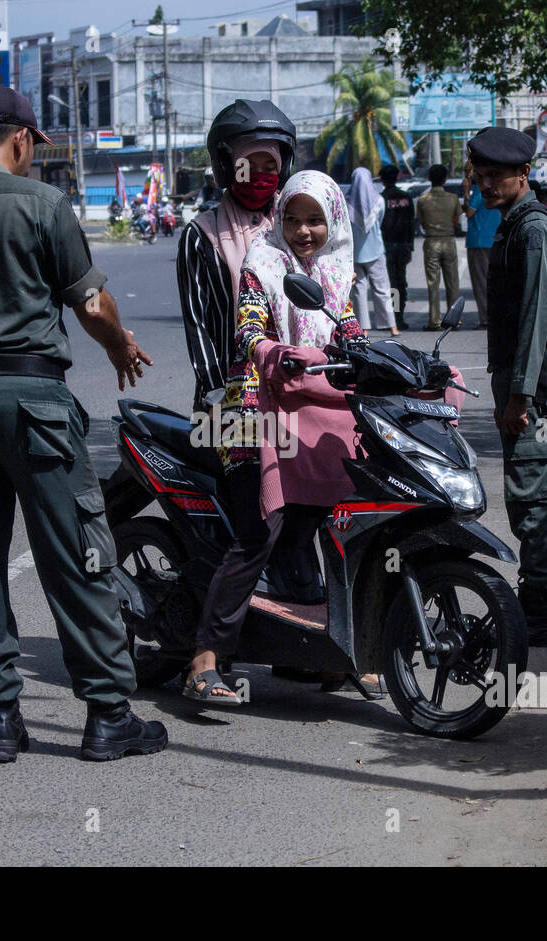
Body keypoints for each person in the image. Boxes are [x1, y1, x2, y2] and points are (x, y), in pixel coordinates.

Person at [0, 86, 167, 762]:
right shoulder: (44, 206)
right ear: (21, 140)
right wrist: (117, 343)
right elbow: (93, 302)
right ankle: (106, 716)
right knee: (77, 553)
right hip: (35, 401)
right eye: (32, 146)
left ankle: (0, 722)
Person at [181, 170, 383, 705]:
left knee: (343, 517)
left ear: (334, 220)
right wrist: (268, 350)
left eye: (314, 220)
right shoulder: (262, 263)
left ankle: (338, 649)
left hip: (313, 405)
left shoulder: (338, 272)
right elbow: (249, 327)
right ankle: (204, 658)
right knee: (260, 530)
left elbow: (349, 331)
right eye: (292, 219)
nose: (303, 231)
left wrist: (384, 360)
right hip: (252, 405)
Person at [469, 126, 547, 647]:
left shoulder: (532, 231)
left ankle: (540, 612)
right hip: (522, 387)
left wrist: (519, 398)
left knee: (531, 503)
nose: (486, 183)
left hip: (527, 392)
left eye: (496, 175)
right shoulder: (519, 224)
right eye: (480, 175)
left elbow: (535, 321)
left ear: (523, 175)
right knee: (543, 498)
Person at [177, 98, 296, 413]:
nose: (259, 175)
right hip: (230, 392)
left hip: (293, 388)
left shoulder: (293, 227)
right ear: (228, 167)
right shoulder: (201, 234)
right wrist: (216, 388)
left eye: (269, 166)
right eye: (248, 166)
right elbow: (197, 322)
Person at [348, 166, 399, 336]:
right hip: (376, 250)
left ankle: (364, 329)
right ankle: (392, 326)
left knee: (359, 292)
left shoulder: (346, 203)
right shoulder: (379, 201)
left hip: (354, 253)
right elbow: (381, 220)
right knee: (383, 288)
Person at [416, 163, 462, 331]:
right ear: (445, 179)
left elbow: (421, 222)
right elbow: (456, 221)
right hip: (448, 241)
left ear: (429, 179)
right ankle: (455, 320)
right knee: (453, 282)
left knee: (433, 283)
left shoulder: (422, 200)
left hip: (431, 242)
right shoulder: (453, 198)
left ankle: (434, 321)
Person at [460, 161, 501, 328]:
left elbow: (469, 212)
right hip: (491, 238)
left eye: (468, 172)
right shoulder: (491, 189)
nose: (466, 175)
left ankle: (486, 317)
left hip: (479, 240)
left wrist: (465, 192)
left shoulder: (477, 191)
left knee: (481, 282)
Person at [379, 164, 415, 330]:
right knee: (400, 282)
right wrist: (410, 246)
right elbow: (411, 224)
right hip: (402, 246)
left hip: (386, 247)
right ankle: (398, 317)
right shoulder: (406, 198)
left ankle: (391, 318)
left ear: (382, 179)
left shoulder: (380, 199)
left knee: (389, 284)